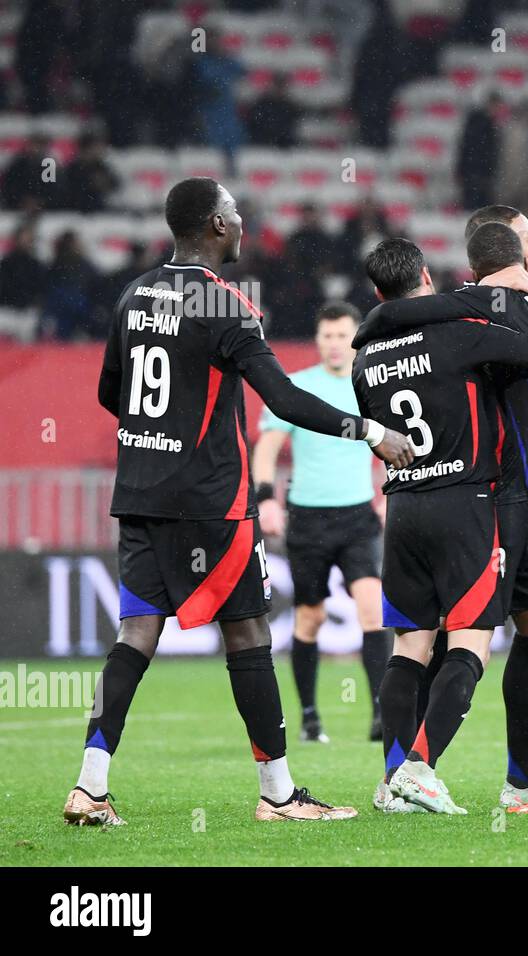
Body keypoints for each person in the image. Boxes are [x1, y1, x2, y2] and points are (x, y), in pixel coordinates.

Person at [62, 177, 414, 827]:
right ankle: (278, 795)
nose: (243, 221)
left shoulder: (135, 294)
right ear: (217, 227)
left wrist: (161, 437)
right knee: (248, 632)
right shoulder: (226, 306)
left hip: (139, 492)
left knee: (135, 635)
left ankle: (90, 784)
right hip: (210, 501)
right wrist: (370, 431)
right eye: (235, 212)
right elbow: (283, 399)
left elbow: (114, 392)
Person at [359, 201, 528, 814]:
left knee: (514, 634)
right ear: (501, 255)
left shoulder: (472, 317)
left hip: (522, 486)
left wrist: (369, 326)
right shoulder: (518, 309)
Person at [252, 302, 391, 744]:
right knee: (308, 617)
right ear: (318, 340)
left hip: (357, 517)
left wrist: (393, 490)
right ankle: (311, 718)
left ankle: (379, 717)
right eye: (327, 336)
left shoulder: (371, 386)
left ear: (356, 339)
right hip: (308, 519)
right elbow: (268, 448)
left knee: (373, 610)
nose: (335, 344)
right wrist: (266, 500)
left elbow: (393, 444)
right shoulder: (298, 387)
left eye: (342, 336)